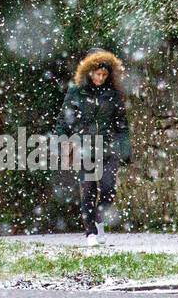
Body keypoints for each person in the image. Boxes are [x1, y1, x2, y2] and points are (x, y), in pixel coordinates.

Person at [54, 50, 131, 246]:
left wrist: (125, 148)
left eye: (104, 75)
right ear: (89, 72)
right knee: (88, 189)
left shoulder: (113, 94)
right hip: (84, 147)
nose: (101, 78)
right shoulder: (76, 92)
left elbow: (121, 124)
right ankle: (90, 233)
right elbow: (64, 120)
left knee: (108, 189)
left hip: (108, 147)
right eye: (98, 74)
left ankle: (98, 219)